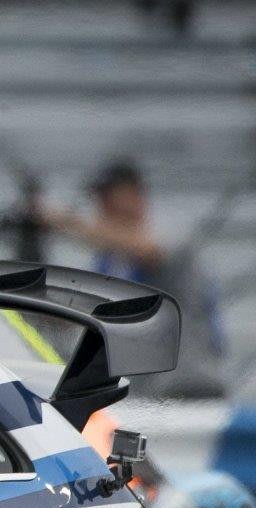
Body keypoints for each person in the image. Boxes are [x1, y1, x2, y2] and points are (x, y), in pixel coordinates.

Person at [32, 157, 227, 397]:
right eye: (100, 197)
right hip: (148, 394)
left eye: (111, 195)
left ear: (136, 193)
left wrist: (63, 221)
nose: (104, 205)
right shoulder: (111, 262)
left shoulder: (169, 230)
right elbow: (84, 312)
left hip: (192, 382)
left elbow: (149, 251)